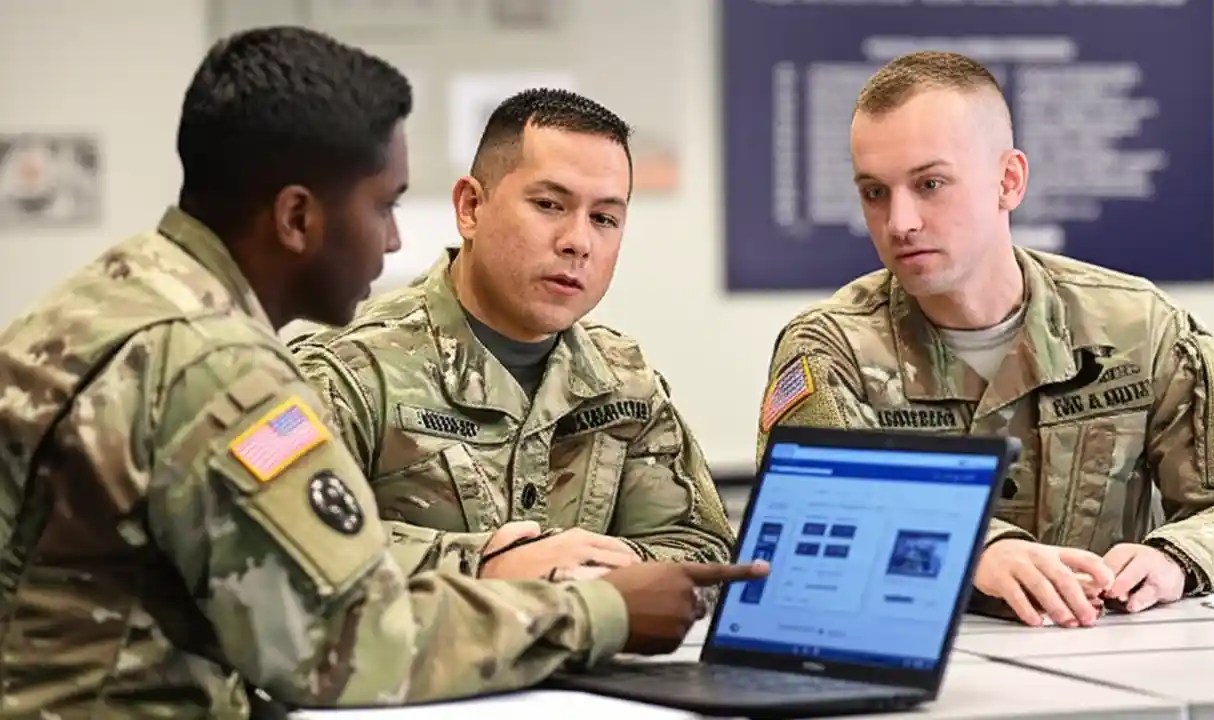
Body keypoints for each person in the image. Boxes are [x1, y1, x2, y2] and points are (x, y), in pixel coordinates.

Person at [0, 27, 767, 718]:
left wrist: (605, 569)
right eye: (384, 205)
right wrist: (593, 608)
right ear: (298, 218)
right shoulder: (219, 366)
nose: (396, 241)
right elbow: (336, 639)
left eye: (605, 216)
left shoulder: (125, 296)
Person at [757, 50, 1214, 630]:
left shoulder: (1135, 327)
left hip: (1112, 659)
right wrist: (975, 549)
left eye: (930, 184)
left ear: (1008, 181)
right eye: (875, 192)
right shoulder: (833, 350)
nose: (900, 221)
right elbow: (803, 525)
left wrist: (1177, 558)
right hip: (923, 669)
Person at [288, 88, 735, 583]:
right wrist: (483, 564)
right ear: (471, 208)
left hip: (599, 659)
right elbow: (285, 543)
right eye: (549, 204)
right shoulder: (348, 374)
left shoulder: (625, 382)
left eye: (604, 219)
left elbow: (702, 550)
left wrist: (590, 574)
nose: (578, 242)